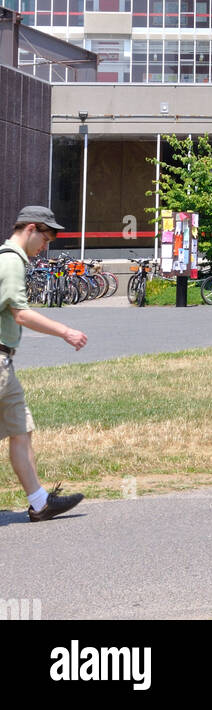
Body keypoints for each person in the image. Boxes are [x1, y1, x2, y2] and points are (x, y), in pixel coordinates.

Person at [0, 206, 88, 520]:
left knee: (21, 429)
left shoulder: (11, 259)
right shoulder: (11, 261)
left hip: (5, 363)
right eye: (46, 238)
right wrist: (66, 331)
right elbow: (20, 313)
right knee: (19, 428)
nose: (45, 247)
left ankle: (40, 503)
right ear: (31, 228)